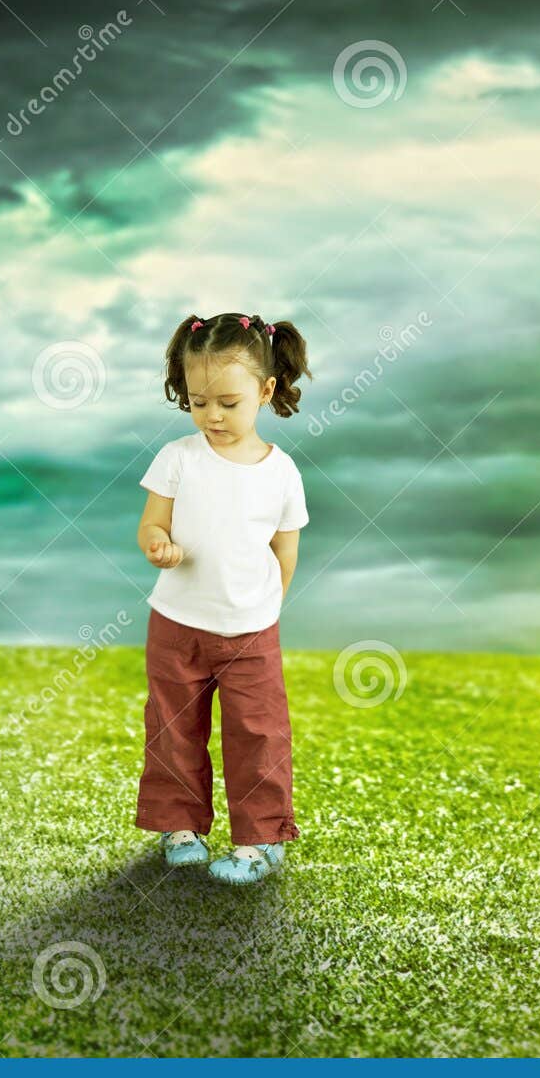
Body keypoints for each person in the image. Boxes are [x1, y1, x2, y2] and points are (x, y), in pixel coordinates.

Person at [134, 312, 313, 885]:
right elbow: (151, 527)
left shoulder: (281, 472)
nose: (212, 415)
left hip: (251, 629)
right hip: (176, 624)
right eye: (198, 401)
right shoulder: (177, 458)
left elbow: (285, 548)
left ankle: (261, 839)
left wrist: (268, 606)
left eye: (228, 403)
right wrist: (158, 547)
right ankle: (180, 826)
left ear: (264, 391)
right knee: (172, 726)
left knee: (258, 732)